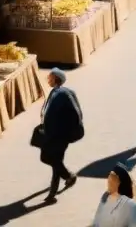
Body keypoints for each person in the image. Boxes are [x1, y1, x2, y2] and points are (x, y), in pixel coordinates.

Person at [38, 68, 83, 202]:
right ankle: (57, 187)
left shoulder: (60, 94)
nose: (47, 79)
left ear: (56, 78)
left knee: (49, 158)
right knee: (56, 160)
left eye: (50, 77)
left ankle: (67, 178)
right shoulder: (60, 92)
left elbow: (59, 115)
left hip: (59, 134)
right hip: (60, 133)